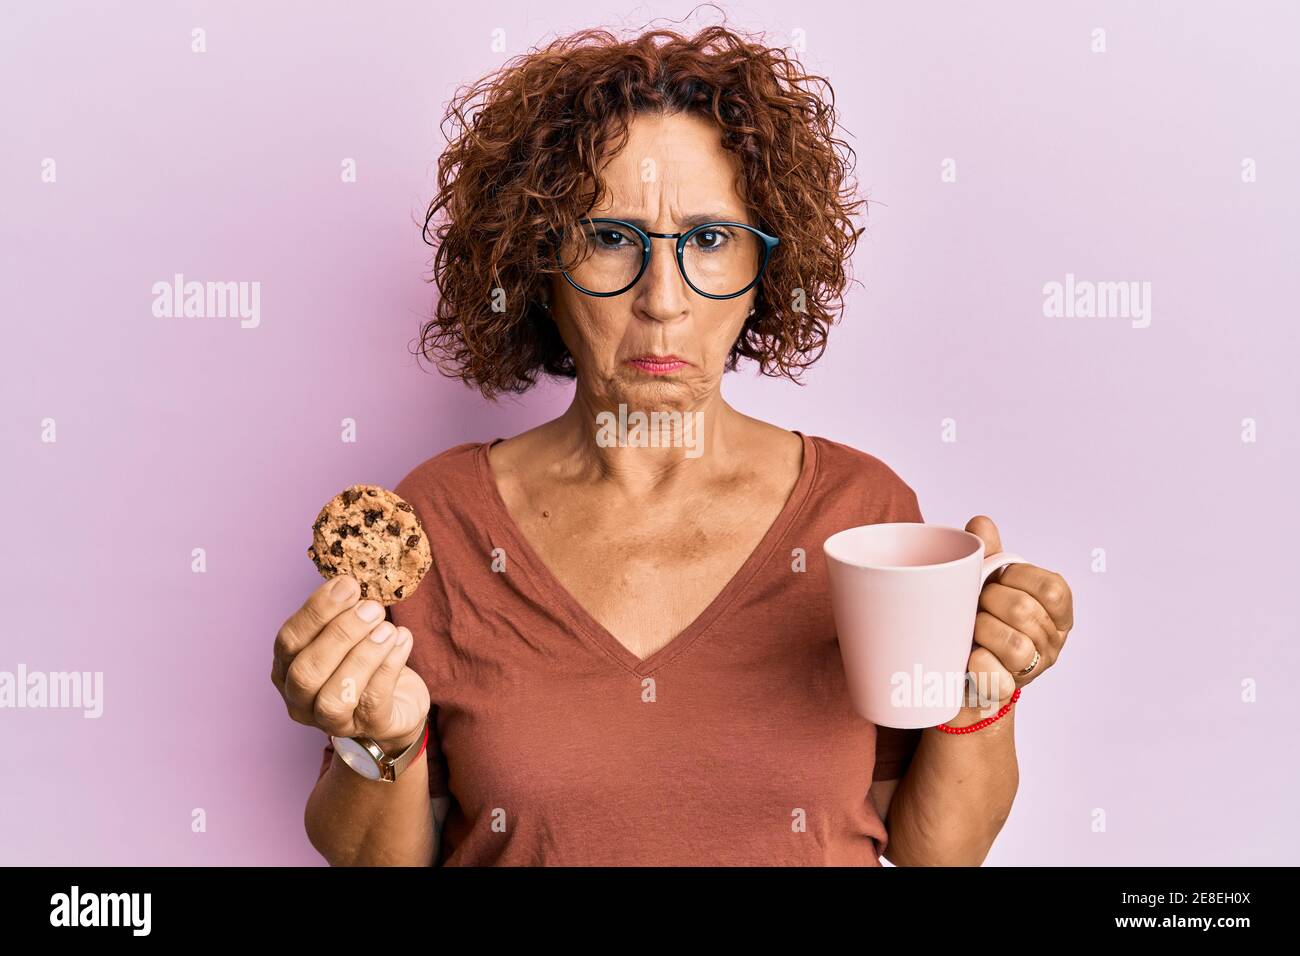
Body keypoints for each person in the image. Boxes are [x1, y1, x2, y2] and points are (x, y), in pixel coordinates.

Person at [272, 21, 1074, 866]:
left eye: (711, 240)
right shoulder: (443, 520)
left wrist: (987, 681)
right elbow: (381, 862)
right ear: (538, 259)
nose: (663, 299)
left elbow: (933, 853)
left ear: (769, 267)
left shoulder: (863, 515)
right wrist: (375, 741)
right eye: (612, 237)